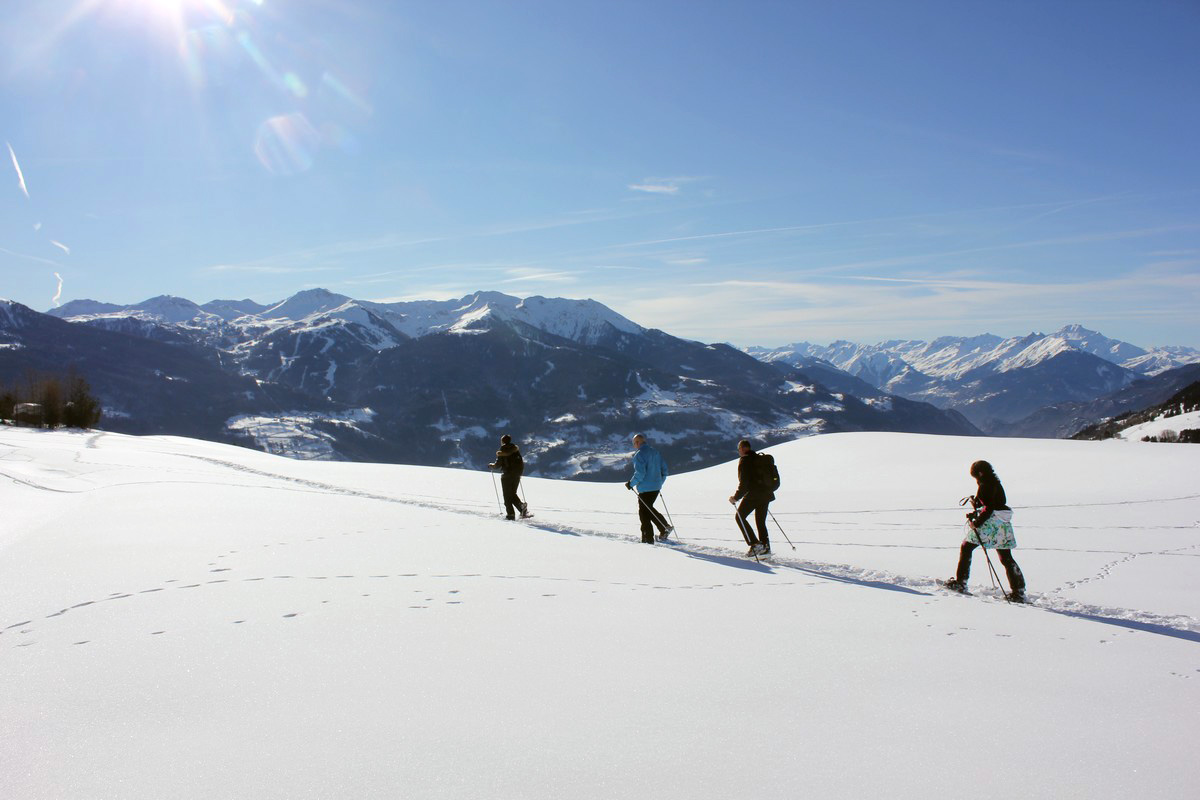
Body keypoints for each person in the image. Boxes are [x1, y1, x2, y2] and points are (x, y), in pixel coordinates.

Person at [943, 460, 1026, 601]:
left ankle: (961, 583)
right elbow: (996, 502)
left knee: (966, 547)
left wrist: (977, 522)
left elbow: (988, 507)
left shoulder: (985, 484)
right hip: (1002, 523)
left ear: (979, 473)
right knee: (1005, 557)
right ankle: (1018, 591)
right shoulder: (995, 482)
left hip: (990, 523)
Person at [729, 439, 777, 557]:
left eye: (739, 449)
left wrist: (735, 497)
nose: (739, 451)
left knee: (739, 517)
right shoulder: (759, 458)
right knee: (760, 522)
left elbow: (744, 483)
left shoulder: (745, 461)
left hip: (753, 495)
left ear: (742, 449)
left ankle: (755, 545)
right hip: (766, 494)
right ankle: (766, 548)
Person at [625, 433, 672, 543]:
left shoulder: (639, 455)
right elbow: (664, 470)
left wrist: (630, 484)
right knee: (648, 510)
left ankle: (648, 539)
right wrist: (659, 483)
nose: (634, 446)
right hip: (656, 487)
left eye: (634, 443)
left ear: (637, 442)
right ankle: (661, 530)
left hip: (645, 489)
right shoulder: (655, 452)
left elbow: (640, 473)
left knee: (644, 513)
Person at [488, 434, 530, 520]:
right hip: (517, 475)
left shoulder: (502, 451)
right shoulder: (515, 450)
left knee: (507, 496)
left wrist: (491, 465)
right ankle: (522, 508)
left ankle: (510, 515)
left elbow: (498, 465)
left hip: (507, 475)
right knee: (512, 494)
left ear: (502, 441)